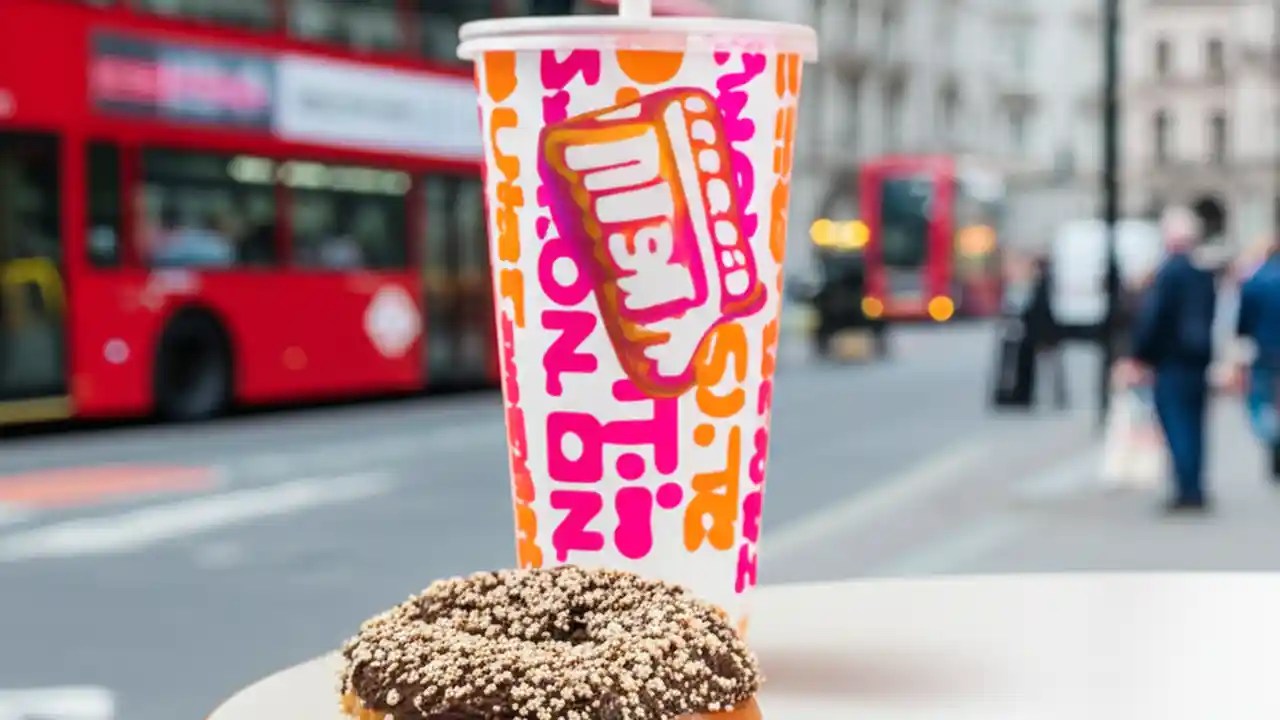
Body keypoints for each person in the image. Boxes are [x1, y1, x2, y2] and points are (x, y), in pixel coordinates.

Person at [1128, 206, 1218, 513]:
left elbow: (1153, 319)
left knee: (1177, 424)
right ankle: (1194, 486)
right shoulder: (1202, 273)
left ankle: (1186, 489)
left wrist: (1140, 355)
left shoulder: (1168, 274)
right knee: (1194, 425)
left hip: (1172, 359)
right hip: (1198, 358)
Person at [1231, 234, 1280, 481]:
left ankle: (1274, 436)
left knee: (1261, 402)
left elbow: (1243, 321)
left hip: (1265, 350)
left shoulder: (1256, 280)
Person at [1025, 254, 1068, 409]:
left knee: (1047, 368)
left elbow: (1039, 312)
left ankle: (1051, 397)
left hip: (1046, 335)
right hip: (1050, 334)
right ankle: (1055, 397)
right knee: (1051, 368)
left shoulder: (1044, 286)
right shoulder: (1051, 284)